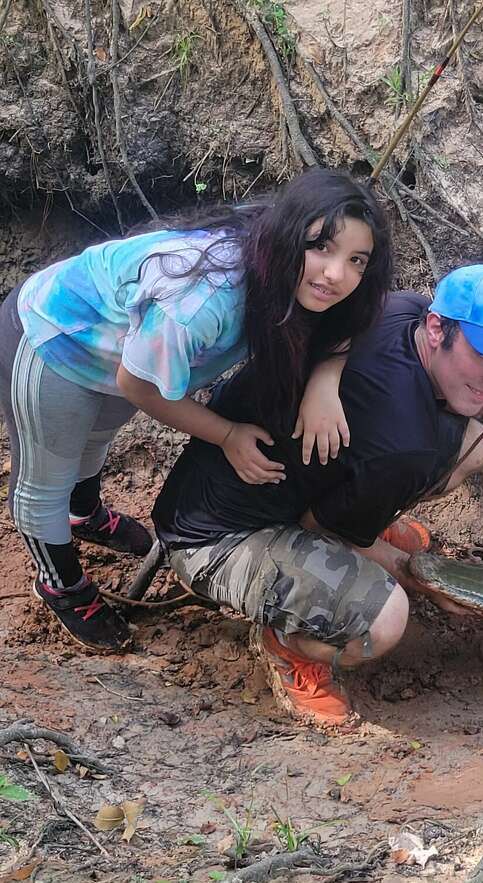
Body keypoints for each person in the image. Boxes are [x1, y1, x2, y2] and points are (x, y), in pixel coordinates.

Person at [0, 169, 392, 653]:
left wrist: (325, 380)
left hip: (122, 347)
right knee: (47, 476)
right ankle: (59, 583)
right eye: (322, 247)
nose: (337, 274)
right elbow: (140, 386)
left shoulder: (294, 273)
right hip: (54, 338)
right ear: (289, 234)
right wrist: (226, 434)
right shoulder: (204, 301)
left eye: (357, 260)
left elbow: (350, 319)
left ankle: (82, 515)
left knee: (96, 436)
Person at [151, 263, 483, 728]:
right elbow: (324, 529)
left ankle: (364, 511)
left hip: (248, 482)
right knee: (385, 619)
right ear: (439, 329)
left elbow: (410, 418)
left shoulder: (408, 310)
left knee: (467, 450)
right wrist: (428, 579)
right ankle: (288, 648)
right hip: (216, 536)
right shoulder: (401, 444)